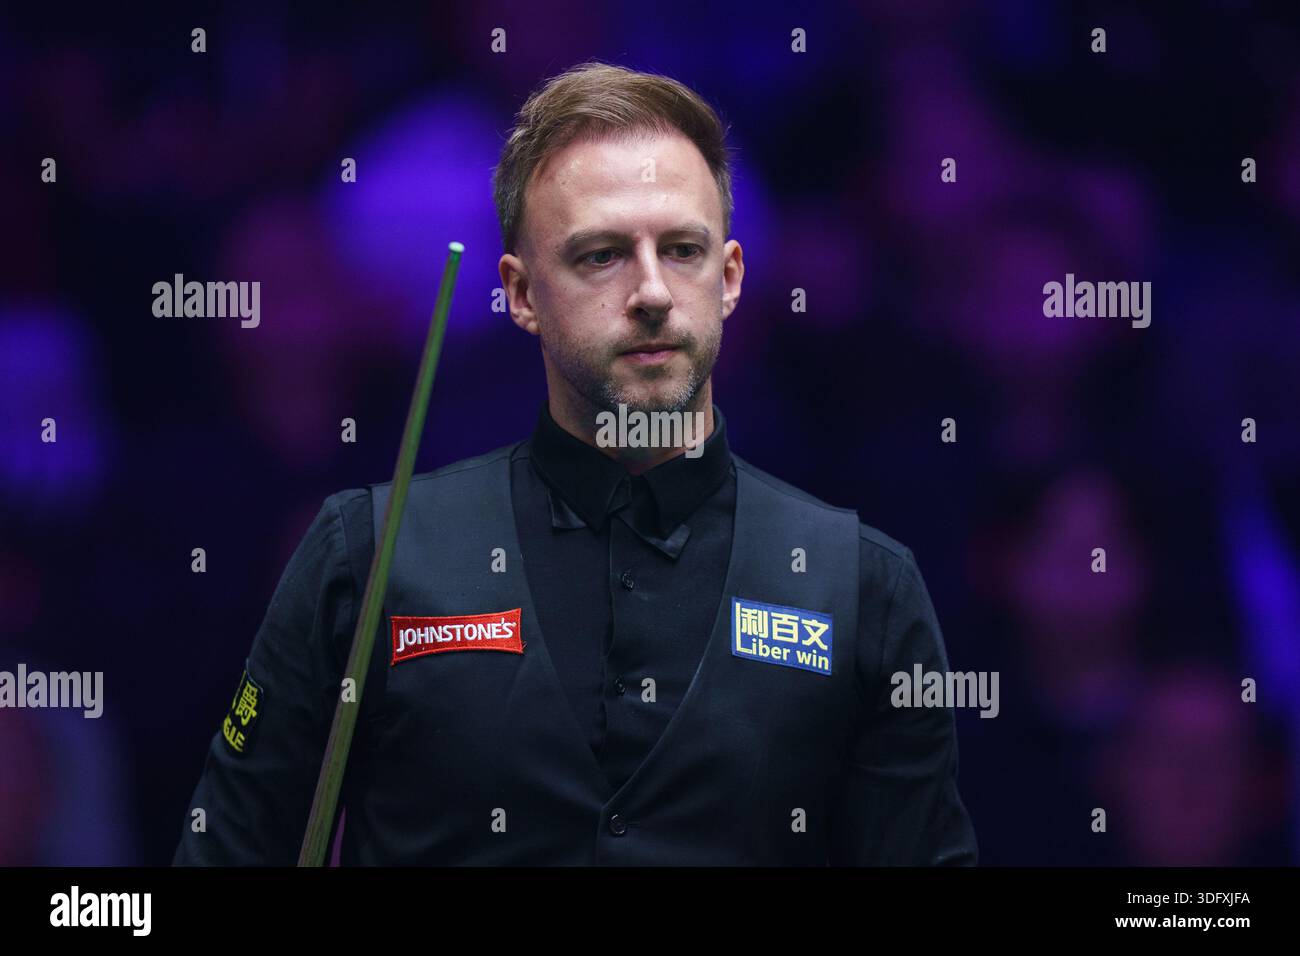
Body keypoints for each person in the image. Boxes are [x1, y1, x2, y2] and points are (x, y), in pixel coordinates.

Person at [173, 60, 977, 866]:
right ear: (521, 294)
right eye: (600, 255)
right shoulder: (365, 554)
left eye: (684, 249)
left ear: (731, 278)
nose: (654, 291)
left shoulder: (862, 586)